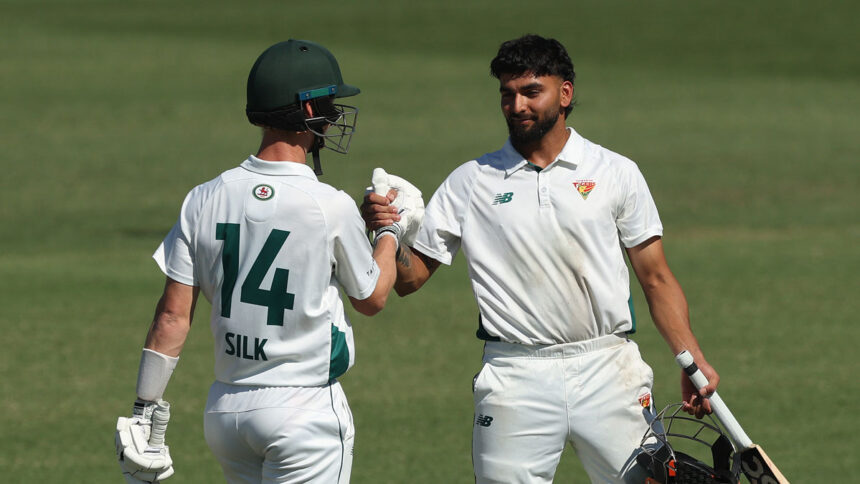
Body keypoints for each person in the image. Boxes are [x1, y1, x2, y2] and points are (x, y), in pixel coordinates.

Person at [361, 34, 720, 483]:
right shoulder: (470, 181)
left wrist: (692, 359)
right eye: (508, 95)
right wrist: (389, 231)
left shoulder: (614, 172)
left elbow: (656, 278)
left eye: (532, 92)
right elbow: (410, 280)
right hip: (514, 376)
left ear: (564, 93)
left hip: (608, 371)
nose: (518, 106)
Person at [115, 39, 406, 484]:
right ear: (308, 111)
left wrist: (143, 407)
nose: (334, 112)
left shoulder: (204, 198)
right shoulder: (329, 204)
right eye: (328, 101)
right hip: (303, 412)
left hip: (226, 413)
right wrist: (389, 231)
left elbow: (172, 317)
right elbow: (372, 297)